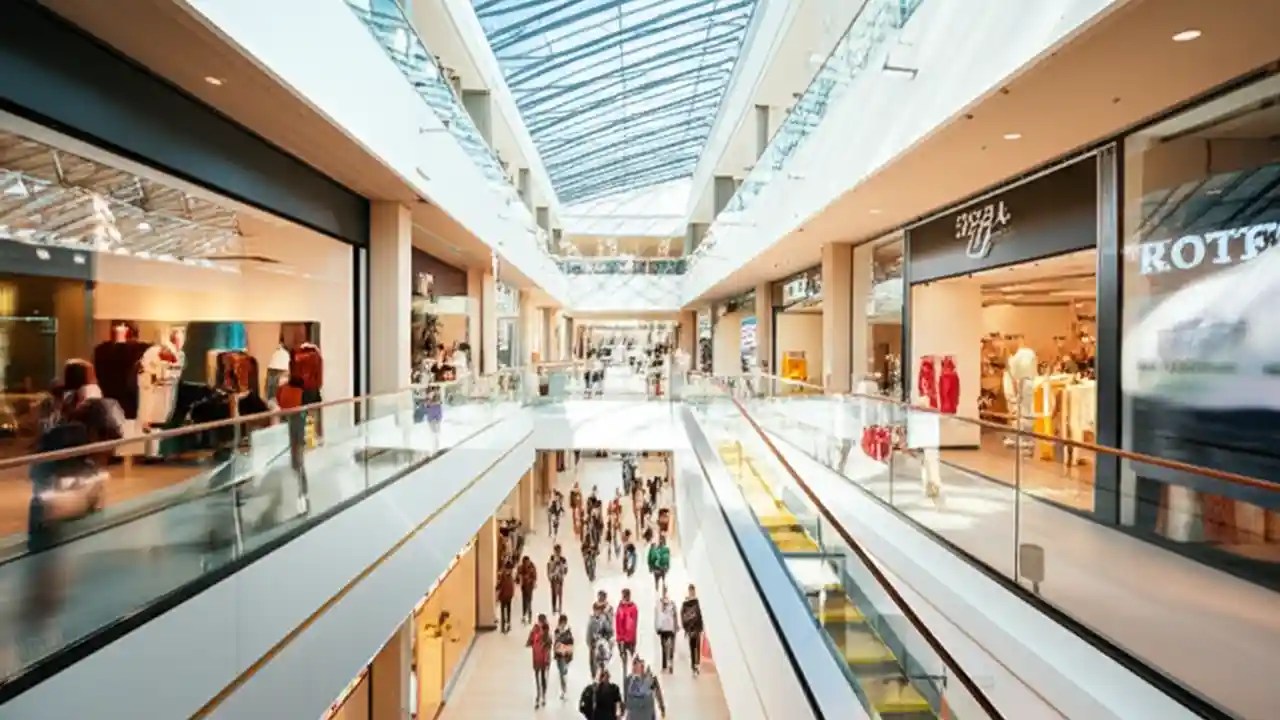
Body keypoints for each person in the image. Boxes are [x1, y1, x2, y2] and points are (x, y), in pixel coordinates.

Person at [527, 613, 552, 708]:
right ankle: (539, 695)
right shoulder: (535, 630)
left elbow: (549, 645)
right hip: (537, 658)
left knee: (543, 678)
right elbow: (529, 641)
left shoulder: (546, 632)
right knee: (538, 677)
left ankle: (543, 695)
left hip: (544, 659)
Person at [586, 597, 614, 679]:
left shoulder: (604, 620)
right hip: (593, 646)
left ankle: (602, 676)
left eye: (599, 610)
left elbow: (610, 632)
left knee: (602, 664)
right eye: (596, 610)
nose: (597, 612)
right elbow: (588, 634)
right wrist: (590, 644)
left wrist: (606, 640)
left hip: (602, 645)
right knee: (593, 665)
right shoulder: (591, 621)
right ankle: (594, 677)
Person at [680, 584, 705, 676]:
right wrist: (685, 627)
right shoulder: (686, 603)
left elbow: (701, 615)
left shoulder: (698, 602)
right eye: (690, 590)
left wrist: (701, 626)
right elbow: (682, 615)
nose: (692, 592)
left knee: (697, 646)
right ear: (689, 591)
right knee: (692, 646)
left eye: (693, 590)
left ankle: (697, 664)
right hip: (690, 628)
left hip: (697, 627)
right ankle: (693, 665)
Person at [615, 588, 638, 675]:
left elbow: (634, 623)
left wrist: (633, 638)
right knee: (623, 659)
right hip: (621, 638)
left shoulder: (633, 607)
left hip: (630, 638)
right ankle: (625, 676)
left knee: (632, 660)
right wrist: (618, 637)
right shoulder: (620, 607)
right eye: (624, 595)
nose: (625, 597)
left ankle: (631, 677)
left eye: (626, 595)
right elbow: (617, 622)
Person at [654, 588, 678, 673]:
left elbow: (675, 615)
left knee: (670, 646)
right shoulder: (659, 604)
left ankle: (670, 663)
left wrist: (676, 626)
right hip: (663, 628)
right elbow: (656, 616)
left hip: (670, 628)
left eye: (665, 592)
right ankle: (664, 666)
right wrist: (656, 627)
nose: (665, 594)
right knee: (664, 647)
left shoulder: (672, 604)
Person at [553, 614, 575, 701]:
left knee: (562, 672)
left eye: (563, 623)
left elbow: (571, 641)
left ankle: (564, 690)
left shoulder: (568, 631)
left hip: (565, 655)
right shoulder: (557, 630)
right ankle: (563, 689)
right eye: (561, 623)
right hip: (559, 654)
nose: (562, 624)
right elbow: (555, 641)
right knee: (561, 672)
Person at [547, 544, 568, 614]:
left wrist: (562, 569)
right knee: (554, 593)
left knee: (560, 593)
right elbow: (549, 567)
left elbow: (566, 569)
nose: (558, 552)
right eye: (556, 551)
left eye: (559, 551)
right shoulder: (552, 558)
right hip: (553, 578)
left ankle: (560, 607)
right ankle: (554, 608)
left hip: (560, 578)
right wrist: (550, 575)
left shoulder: (563, 559)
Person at [496, 561, 516, 633]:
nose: (510, 570)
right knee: (503, 612)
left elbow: (512, 585)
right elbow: (500, 585)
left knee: (508, 611)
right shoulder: (503, 576)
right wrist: (497, 592)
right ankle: (503, 626)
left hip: (509, 596)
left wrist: (512, 593)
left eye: (511, 569)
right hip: (503, 596)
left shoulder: (511, 576)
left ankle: (508, 623)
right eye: (509, 569)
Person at [518, 555, 538, 625]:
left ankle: (529, 617)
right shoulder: (521, 567)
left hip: (530, 587)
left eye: (527, 562)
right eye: (525, 562)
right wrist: (522, 578)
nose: (526, 564)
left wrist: (531, 581)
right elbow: (518, 575)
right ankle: (524, 616)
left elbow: (535, 576)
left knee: (529, 602)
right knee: (524, 602)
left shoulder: (532, 567)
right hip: (524, 587)